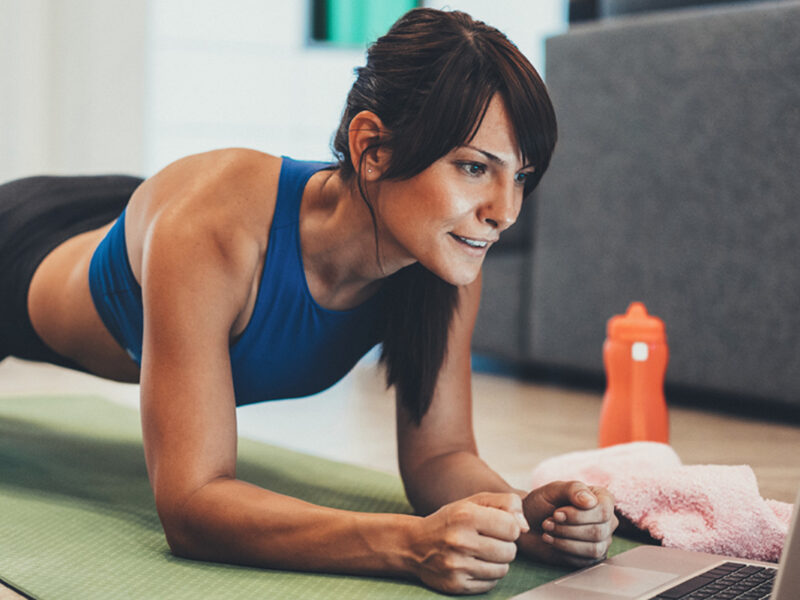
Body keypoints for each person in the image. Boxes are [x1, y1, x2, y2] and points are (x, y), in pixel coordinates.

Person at [0, 8, 617, 595]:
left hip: (130, 217)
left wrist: (523, 517)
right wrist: (406, 544)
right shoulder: (212, 227)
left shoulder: (444, 253)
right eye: (474, 168)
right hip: (20, 245)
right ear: (372, 148)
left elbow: (440, 455)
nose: (505, 213)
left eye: (522, 177)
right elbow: (191, 505)